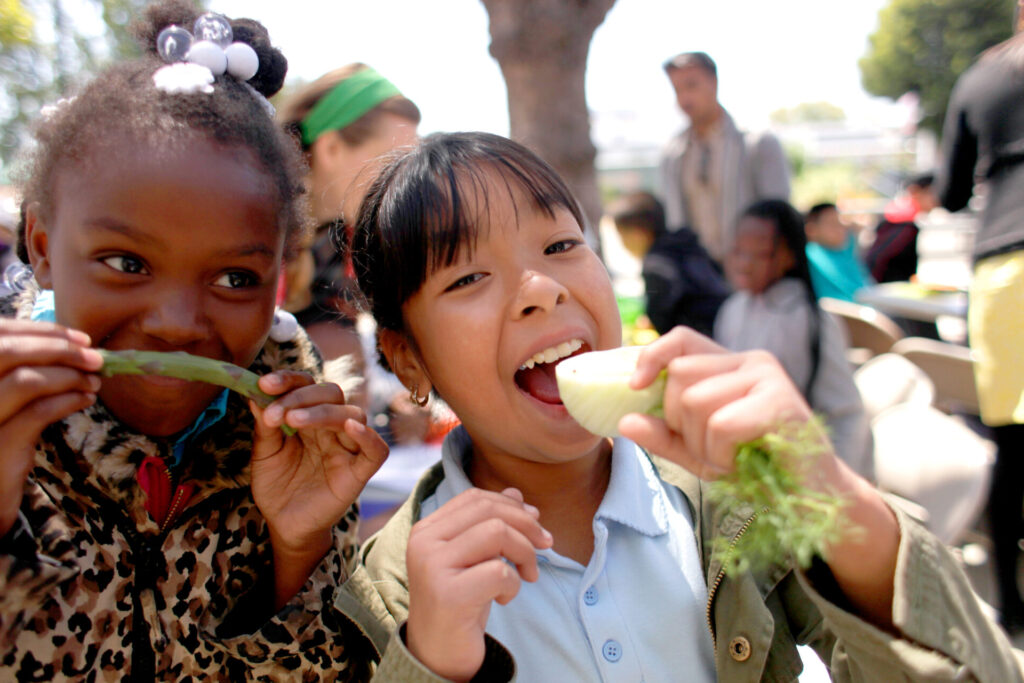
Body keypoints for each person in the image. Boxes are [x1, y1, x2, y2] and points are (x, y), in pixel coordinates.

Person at [352, 131, 1021, 681]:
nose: (540, 289)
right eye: (468, 276)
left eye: (560, 246)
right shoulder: (388, 590)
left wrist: (834, 495)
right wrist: (429, 661)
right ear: (407, 356)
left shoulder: (733, 502)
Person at [0, 4, 533, 679]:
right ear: (43, 248)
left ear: (279, 278)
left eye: (234, 277)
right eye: (126, 262)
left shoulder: (286, 432)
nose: (172, 321)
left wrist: (299, 547)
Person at [935, 1, 1024, 632]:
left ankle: (1013, 606)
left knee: (1010, 443)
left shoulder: (982, 77)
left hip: (1004, 265)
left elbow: (951, 192)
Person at [277, 64, 421, 409]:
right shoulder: (257, 229)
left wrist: (391, 407)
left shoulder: (348, 245)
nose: (407, 181)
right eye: (393, 162)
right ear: (331, 150)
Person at [714, 199, 875, 481]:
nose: (743, 263)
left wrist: (837, 485)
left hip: (802, 470)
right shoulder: (733, 309)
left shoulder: (812, 321)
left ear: (789, 254)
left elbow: (846, 413)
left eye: (759, 253)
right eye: (738, 251)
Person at [658, 51, 791, 267]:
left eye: (692, 85)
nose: (684, 98)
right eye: (677, 89)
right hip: (700, 277)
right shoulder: (673, 153)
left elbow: (780, 218)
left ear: (714, 82)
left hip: (752, 273)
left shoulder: (756, 142)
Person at [609, 190, 730, 337]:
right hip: (727, 323)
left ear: (637, 235)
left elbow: (659, 315)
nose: (623, 244)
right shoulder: (685, 243)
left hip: (700, 337)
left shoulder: (656, 265)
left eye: (622, 237)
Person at [865, 174, 939, 284]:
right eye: (932, 192)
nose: (936, 198)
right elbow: (877, 261)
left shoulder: (905, 223)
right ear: (915, 192)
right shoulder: (903, 226)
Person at [803, 201, 874, 303]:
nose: (841, 228)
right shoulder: (814, 254)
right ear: (811, 230)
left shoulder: (844, 253)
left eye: (842, 223)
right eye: (833, 223)